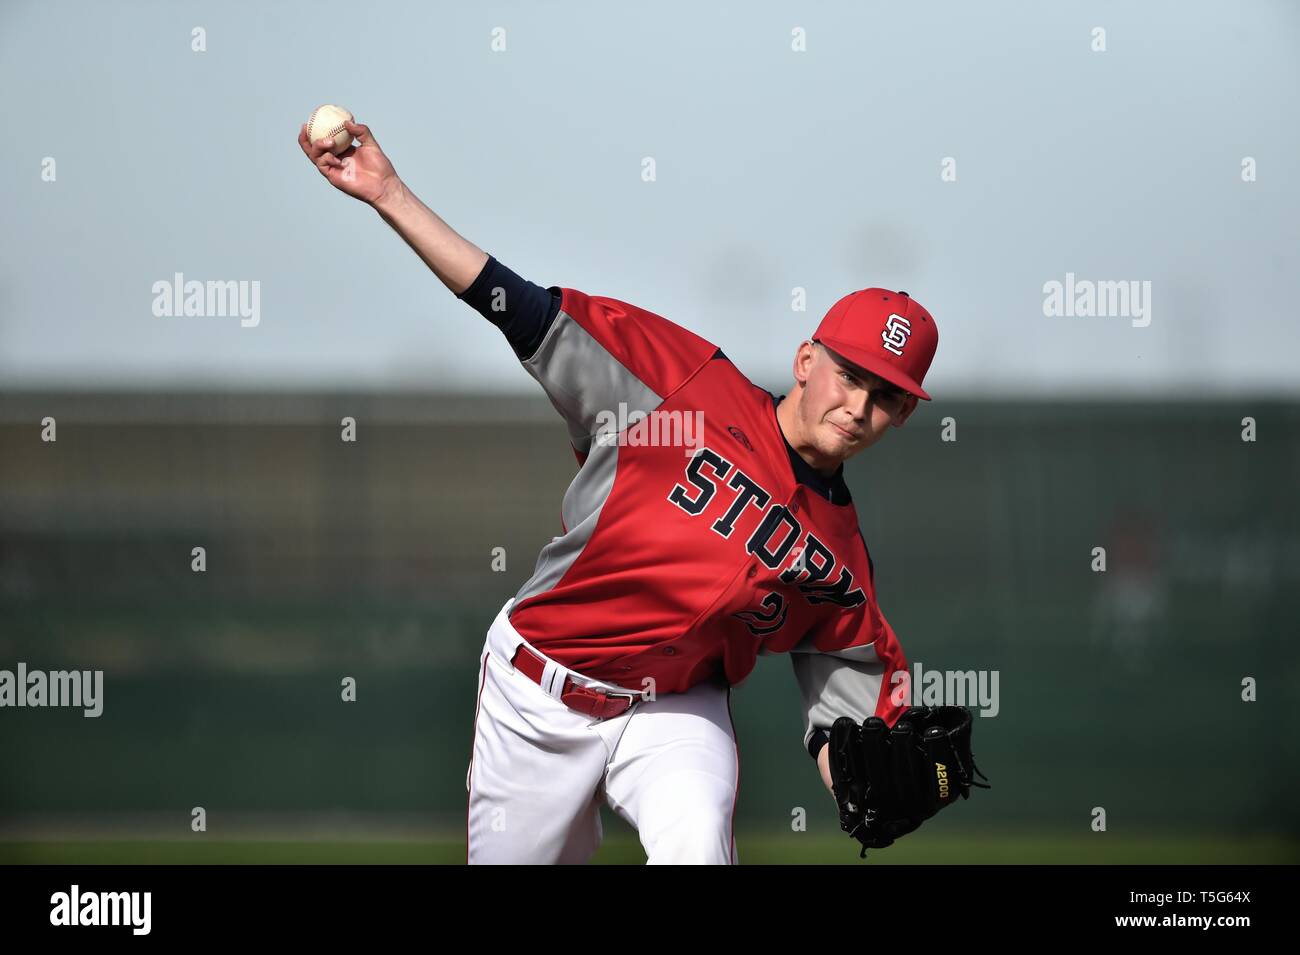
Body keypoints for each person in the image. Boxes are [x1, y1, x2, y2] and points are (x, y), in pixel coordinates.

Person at [298, 118, 939, 864]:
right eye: (850, 375)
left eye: (886, 397)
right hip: (537, 693)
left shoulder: (840, 565)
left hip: (674, 713)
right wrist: (390, 194)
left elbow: (847, 725)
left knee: (697, 844)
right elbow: (521, 308)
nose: (859, 407)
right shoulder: (679, 384)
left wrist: (864, 784)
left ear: (904, 413)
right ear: (806, 361)